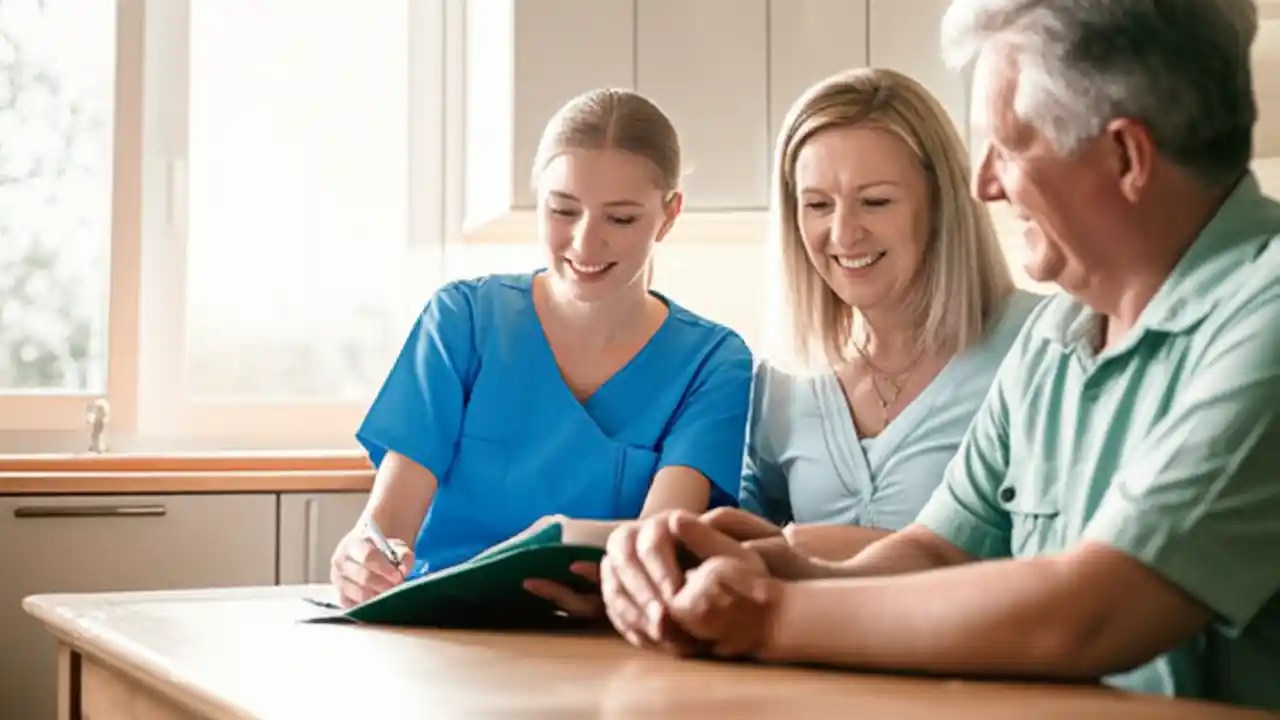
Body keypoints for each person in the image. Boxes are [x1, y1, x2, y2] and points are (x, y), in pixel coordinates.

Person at [601, 0, 1280, 710]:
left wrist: (765, 615)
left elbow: (1090, 613)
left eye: (1011, 146)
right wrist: (769, 566)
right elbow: (936, 552)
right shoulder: (1060, 336)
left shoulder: (1265, 314)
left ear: (1126, 157)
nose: (984, 183)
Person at [331, 88, 753, 616]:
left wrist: (568, 540)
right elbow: (385, 528)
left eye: (620, 219)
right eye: (563, 210)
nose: (584, 241)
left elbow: (655, 548)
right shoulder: (463, 321)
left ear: (669, 215)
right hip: (435, 634)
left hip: (609, 643)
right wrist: (362, 559)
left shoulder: (712, 363)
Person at [732, 67, 1041, 561]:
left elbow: (1058, 561)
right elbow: (743, 528)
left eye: (875, 202)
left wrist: (813, 548)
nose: (843, 233)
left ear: (941, 205)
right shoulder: (785, 379)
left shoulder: (1041, 345)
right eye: (816, 204)